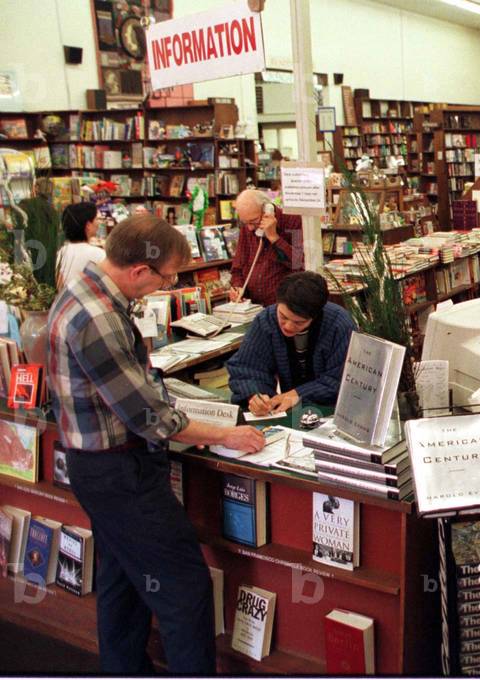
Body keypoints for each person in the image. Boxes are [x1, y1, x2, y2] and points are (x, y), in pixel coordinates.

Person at [47, 214, 266, 673]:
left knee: (122, 581)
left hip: (98, 466)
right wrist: (225, 433)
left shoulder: (83, 291)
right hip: (120, 473)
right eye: (165, 277)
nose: (164, 287)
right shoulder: (100, 318)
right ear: (139, 270)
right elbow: (151, 417)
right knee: (184, 588)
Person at [228, 271, 357, 414]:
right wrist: (256, 396)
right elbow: (246, 368)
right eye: (283, 316)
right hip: (287, 413)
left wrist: (297, 394)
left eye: (299, 322)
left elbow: (343, 379)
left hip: (332, 412)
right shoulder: (266, 320)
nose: (288, 326)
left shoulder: (339, 324)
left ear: (315, 316)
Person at [229, 189, 304, 307]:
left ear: (267, 209)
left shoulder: (292, 220)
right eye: (245, 223)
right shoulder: (248, 226)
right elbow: (238, 267)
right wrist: (238, 287)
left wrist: (274, 237)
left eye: (254, 221)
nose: (250, 228)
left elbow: (299, 263)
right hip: (252, 307)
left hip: (283, 305)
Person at [55, 203, 105, 289]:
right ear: (88, 225)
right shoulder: (99, 254)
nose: (99, 223)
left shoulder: (62, 252)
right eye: (97, 219)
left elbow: (59, 286)